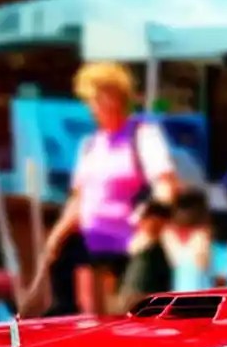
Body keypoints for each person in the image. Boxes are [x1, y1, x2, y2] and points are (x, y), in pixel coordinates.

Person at [19, 62, 180, 317]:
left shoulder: (143, 135)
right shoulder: (91, 144)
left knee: (130, 313)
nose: (94, 105)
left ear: (118, 96)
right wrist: (56, 237)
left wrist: (149, 229)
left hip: (133, 243)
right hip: (93, 242)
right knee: (64, 300)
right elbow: (79, 199)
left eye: (100, 96)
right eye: (91, 99)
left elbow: (166, 187)